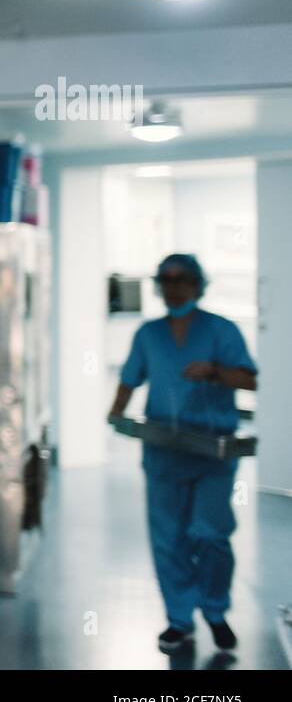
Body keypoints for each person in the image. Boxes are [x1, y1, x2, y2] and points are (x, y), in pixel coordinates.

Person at [108, 253, 258, 654]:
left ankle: (214, 609)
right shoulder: (148, 334)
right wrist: (116, 413)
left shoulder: (221, 331)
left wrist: (215, 372)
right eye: (166, 280)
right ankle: (179, 619)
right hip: (164, 450)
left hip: (212, 450)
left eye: (182, 279)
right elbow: (129, 379)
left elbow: (250, 378)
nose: (174, 287)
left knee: (210, 534)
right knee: (168, 538)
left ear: (198, 284)